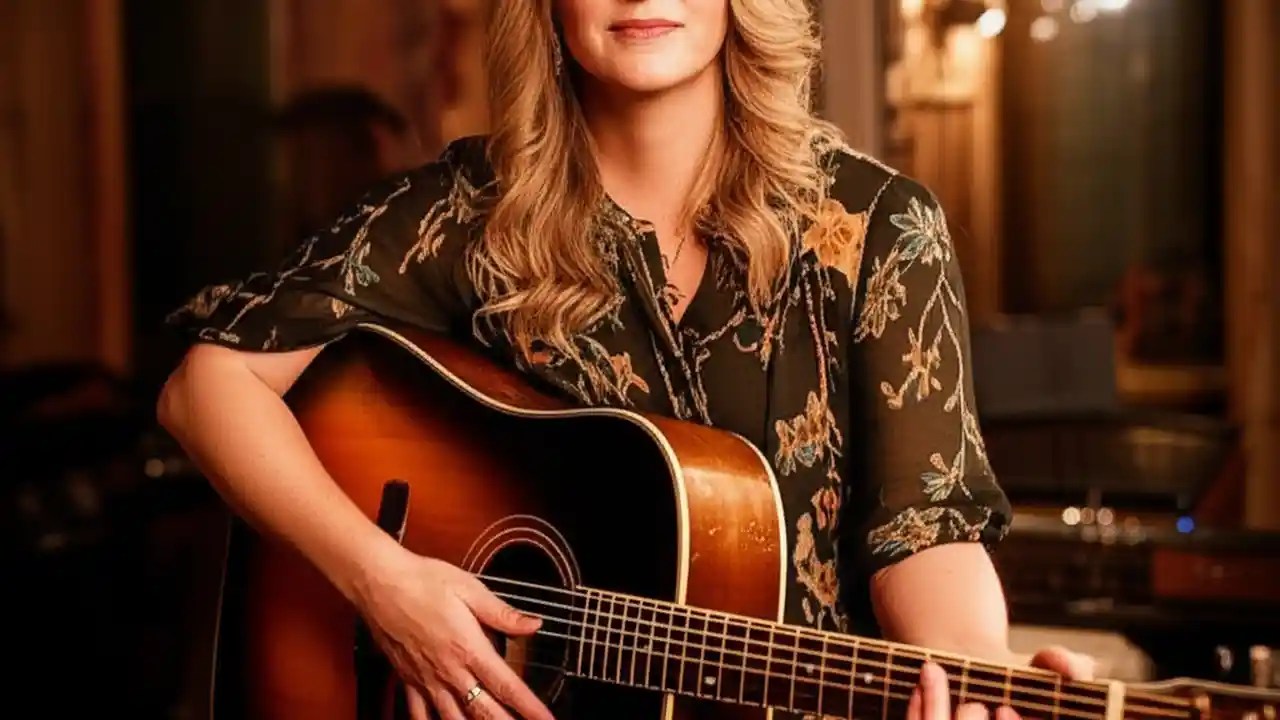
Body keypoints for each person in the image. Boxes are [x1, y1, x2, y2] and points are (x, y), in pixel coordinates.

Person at [157, 1, 1095, 718]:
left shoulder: (882, 229)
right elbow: (209, 387)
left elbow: (925, 528)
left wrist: (975, 674)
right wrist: (382, 581)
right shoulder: (464, 216)